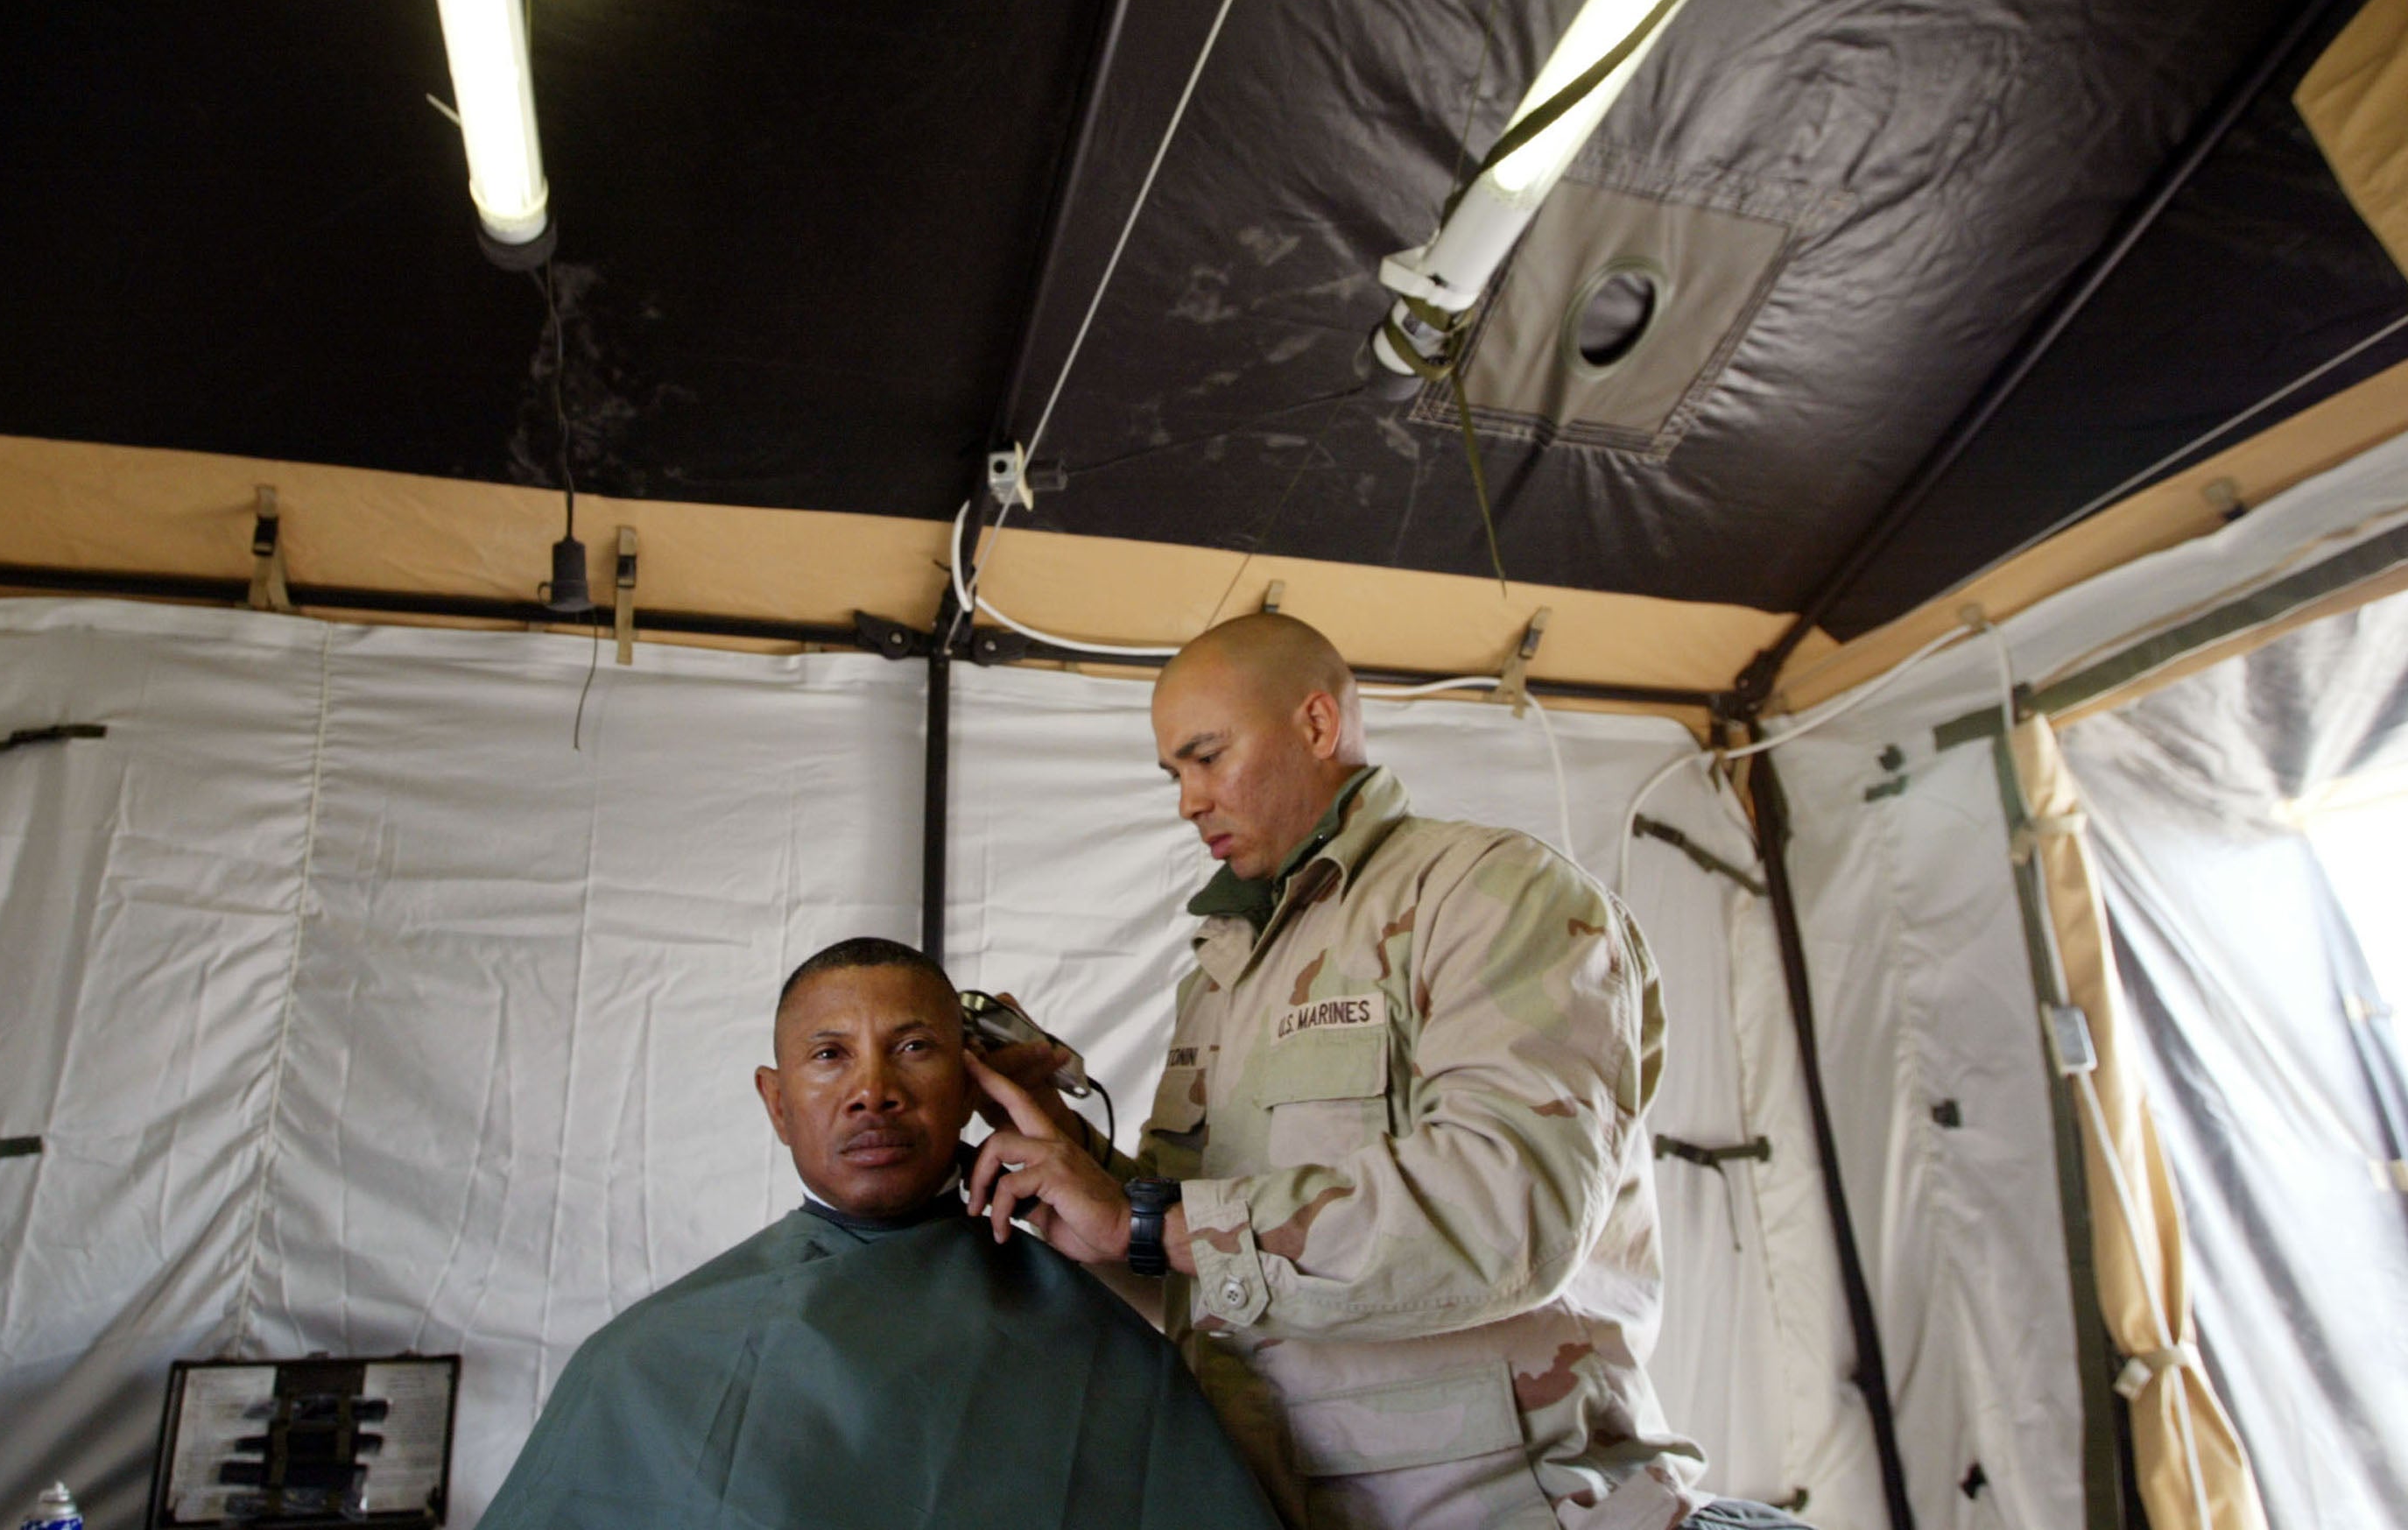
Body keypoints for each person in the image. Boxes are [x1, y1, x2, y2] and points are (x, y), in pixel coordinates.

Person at [968, 615, 1796, 1530]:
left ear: (1317, 725)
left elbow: (1507, 1211)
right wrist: (1072, 1158)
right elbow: (1205, 1278)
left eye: (1207, 757)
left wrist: (1148, 1222)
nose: (1189, 802)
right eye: (1175, 774)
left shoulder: (1490, 894)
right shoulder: (1221, 974)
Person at [478, 937, 1279, 1530]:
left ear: (971, 1085)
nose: (873, 1090)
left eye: (913, 1048)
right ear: (777, 1102)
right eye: (830, 1054)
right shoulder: (641, 1366)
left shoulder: (1097, 1346)